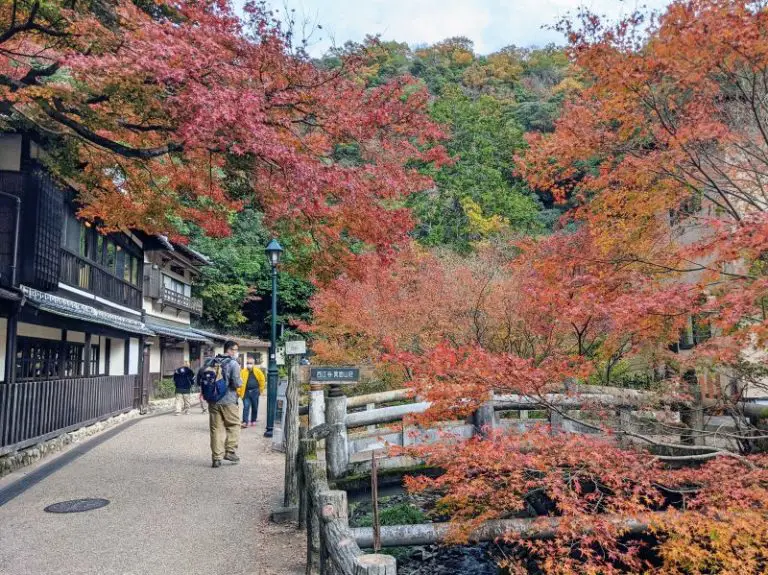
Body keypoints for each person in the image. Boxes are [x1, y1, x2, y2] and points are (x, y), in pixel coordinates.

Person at [202, 340, 242, 468]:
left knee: (216, 429)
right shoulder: (233, 364)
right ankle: (230, 451)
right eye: (235, 350)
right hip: (229, 400)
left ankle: (216, 458)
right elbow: (236, 383)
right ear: (230, 350)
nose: (236, 352)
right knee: (234, 425)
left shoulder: (210, 361)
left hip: (213, 400)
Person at [239, 357, 265, 428]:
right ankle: (245, 422)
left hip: (255, 391)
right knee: (246, 407)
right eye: (247, 363)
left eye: (250, 363)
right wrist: (239, 392)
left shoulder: (258, 371)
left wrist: (261, 390)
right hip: (246, 392)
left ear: (254, 364)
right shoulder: (243, 371)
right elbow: (239, 382)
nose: (249, 364)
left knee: (255, 407)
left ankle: (253, 420)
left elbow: (262, 380)